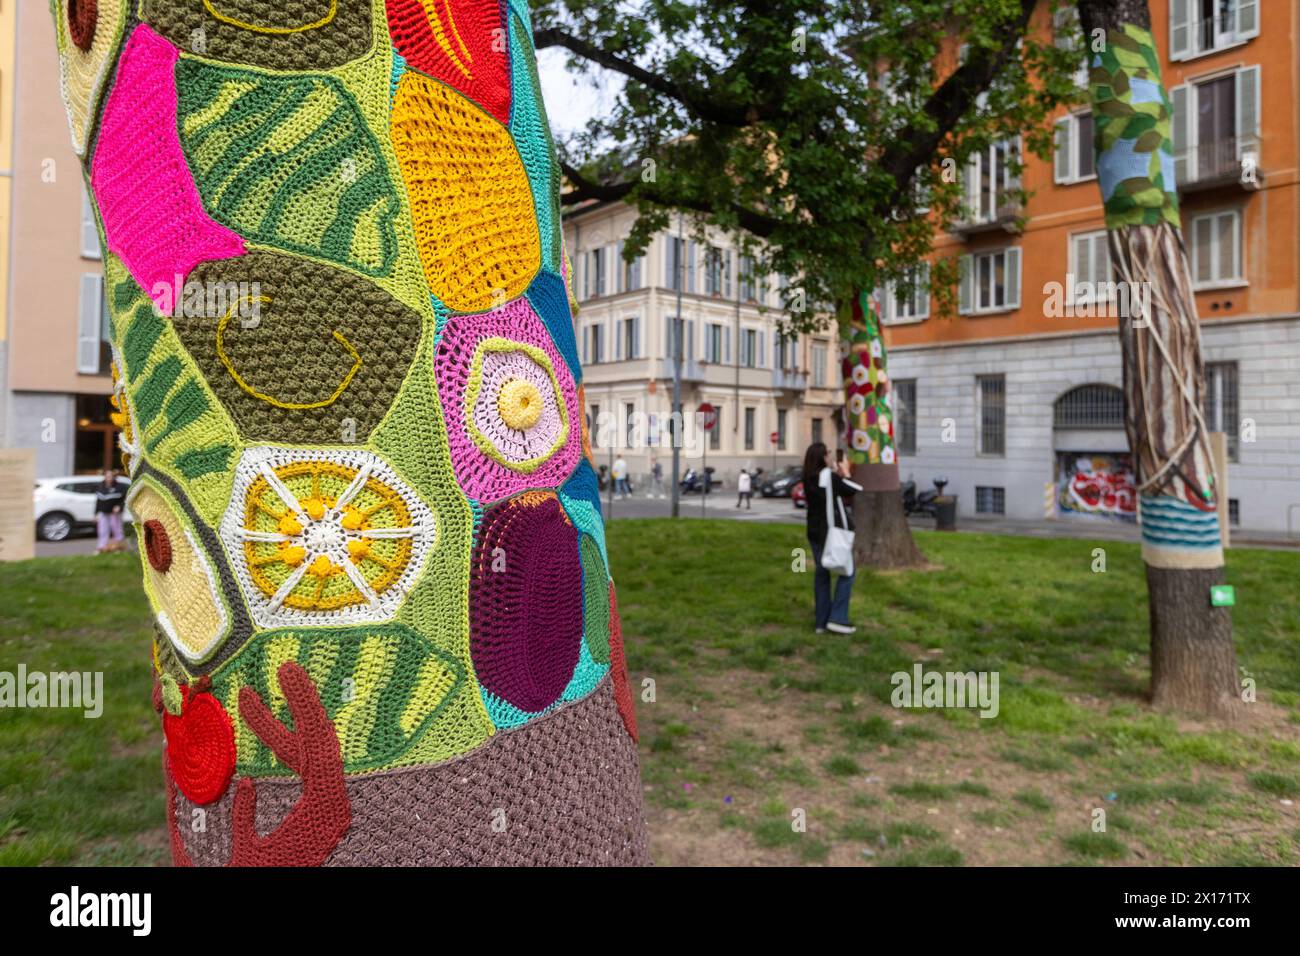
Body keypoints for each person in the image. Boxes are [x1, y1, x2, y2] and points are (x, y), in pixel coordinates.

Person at [803, 442, 860, 634]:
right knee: (848, 573)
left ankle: (821, 622)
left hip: (814, 532)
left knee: (822, 574)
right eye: (828, 453)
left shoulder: (808, 477)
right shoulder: (830, 477)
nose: (830, 456)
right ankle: (838, 618)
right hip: (832, 533)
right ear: (822, 458)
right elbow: (853, 489)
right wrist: (844, 472)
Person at [95, 469, 126, 554]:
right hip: (104, 512)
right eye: (107, 476)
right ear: (104, 477)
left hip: (115, 513)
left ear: (113, 477)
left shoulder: (120, 487)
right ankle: (101, 547)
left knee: (117, 529)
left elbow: (124, 499)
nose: (109, 478)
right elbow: (98, 501)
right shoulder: (100, 486)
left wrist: (119, 506)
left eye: (110, 476)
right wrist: (95, 513)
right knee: (103, 530)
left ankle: (119, 547)